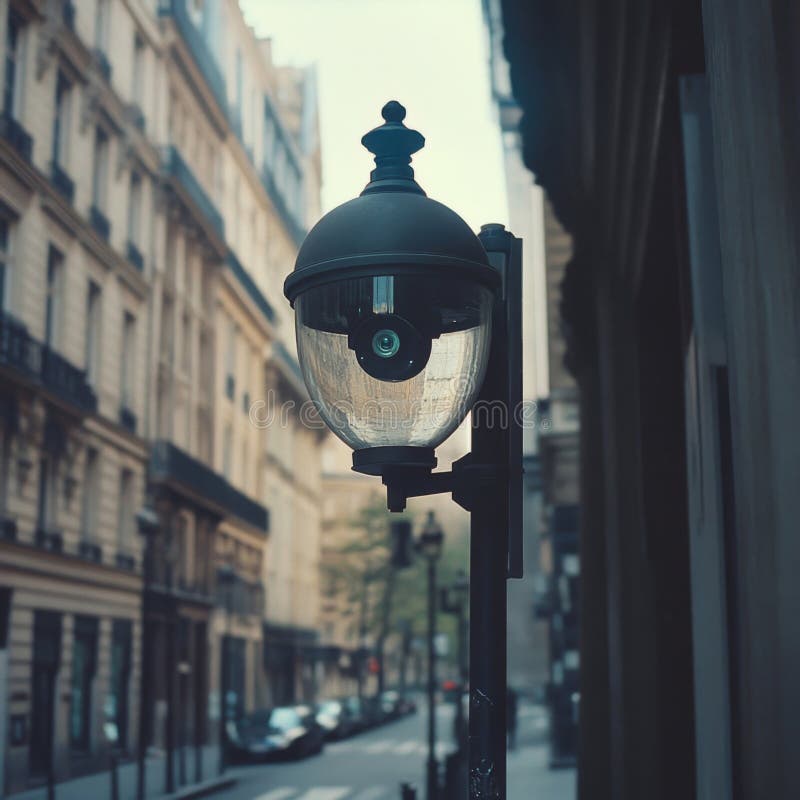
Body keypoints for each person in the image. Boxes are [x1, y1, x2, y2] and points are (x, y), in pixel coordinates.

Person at [507, 685, 519, 750]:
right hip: (511, 715)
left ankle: (511, 745)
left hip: (510, 715)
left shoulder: (509, 695)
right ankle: (511, 745)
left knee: (511, 731)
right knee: (511, 732)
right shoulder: (512, 695)